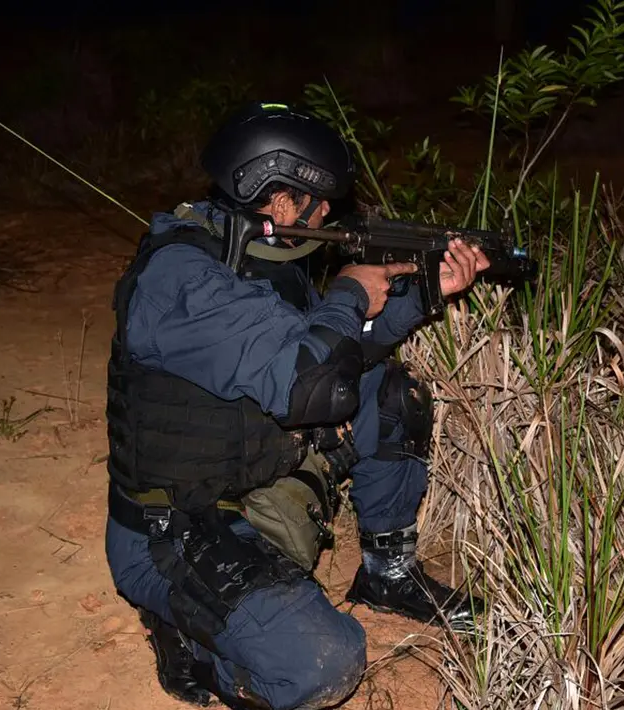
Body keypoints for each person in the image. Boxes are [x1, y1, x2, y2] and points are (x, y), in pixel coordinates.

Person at [103, 102, 491, 710]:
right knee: (323, 665)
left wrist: (421, 295)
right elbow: (304, 383)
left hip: (248, 479)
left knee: (388, 392)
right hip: (171, 532)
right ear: (279, 198)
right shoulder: (181, 277)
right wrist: (346, 293)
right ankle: (192, 642)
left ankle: (389, 572)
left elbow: (334, 351)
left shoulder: (259, 253)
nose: (329, 212)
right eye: (320, 199)